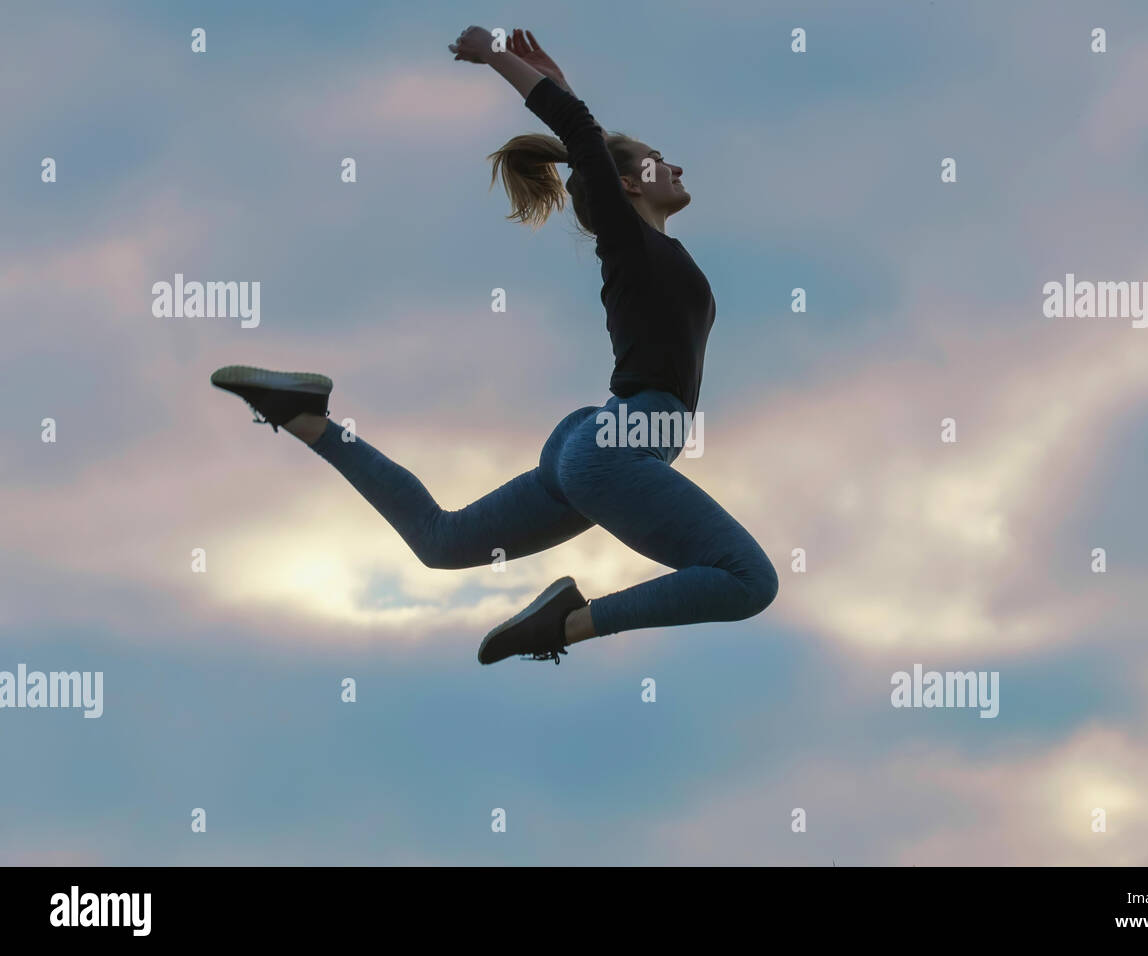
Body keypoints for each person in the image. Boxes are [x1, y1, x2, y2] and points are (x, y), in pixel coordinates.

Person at [211, 26, 777, 665]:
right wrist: (498, 57)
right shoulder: (628, 241)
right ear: (627, 186)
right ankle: (567, 626)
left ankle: (305, 417)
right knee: (750, 580)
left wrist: (555, 80)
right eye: (657, 160)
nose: (674, 166)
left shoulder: (643, 247)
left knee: (442, 542)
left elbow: (585, 137)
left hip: (589, 441)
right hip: (620, 442)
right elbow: (584, 137)